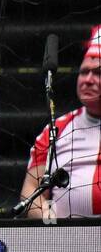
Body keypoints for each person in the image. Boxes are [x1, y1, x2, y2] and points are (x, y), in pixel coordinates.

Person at [20, 36, 101, 221]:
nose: (88, 80)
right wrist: (47, 217)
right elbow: (31, 191)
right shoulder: (56, 130)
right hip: (67, 242)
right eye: (84, 72)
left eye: (98, 73)